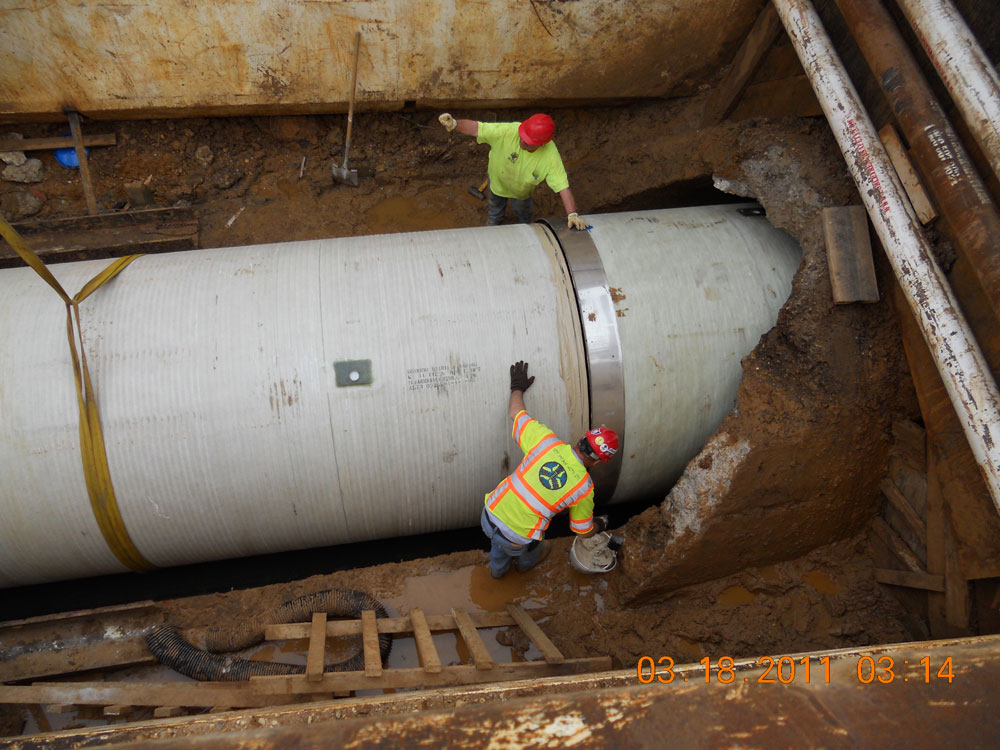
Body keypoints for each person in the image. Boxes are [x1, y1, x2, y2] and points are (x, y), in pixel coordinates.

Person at [481, 360, 618, 578]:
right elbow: (582, 531)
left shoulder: (545, 442)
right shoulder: (583, 488)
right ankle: (525, 567)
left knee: (499, 551)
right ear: (599, 461)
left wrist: (517, 387)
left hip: (489, 513)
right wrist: (599, 524)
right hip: (516, 538)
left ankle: (497, 574)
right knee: (533, 545)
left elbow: (515, 413)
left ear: (583, 437)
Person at [438, 112, 589, 230]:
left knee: (524, 214)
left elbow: (563, 187)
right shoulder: (509, 131)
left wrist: (572, 214)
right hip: (497, 184)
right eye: (522, 137)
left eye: (528, 142)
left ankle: (526, 228)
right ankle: (493, 223)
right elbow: (478, 128)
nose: (522, 141)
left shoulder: (550, 157)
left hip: (521, 194)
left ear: (541, 144)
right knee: (495, 208)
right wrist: (455, 124)